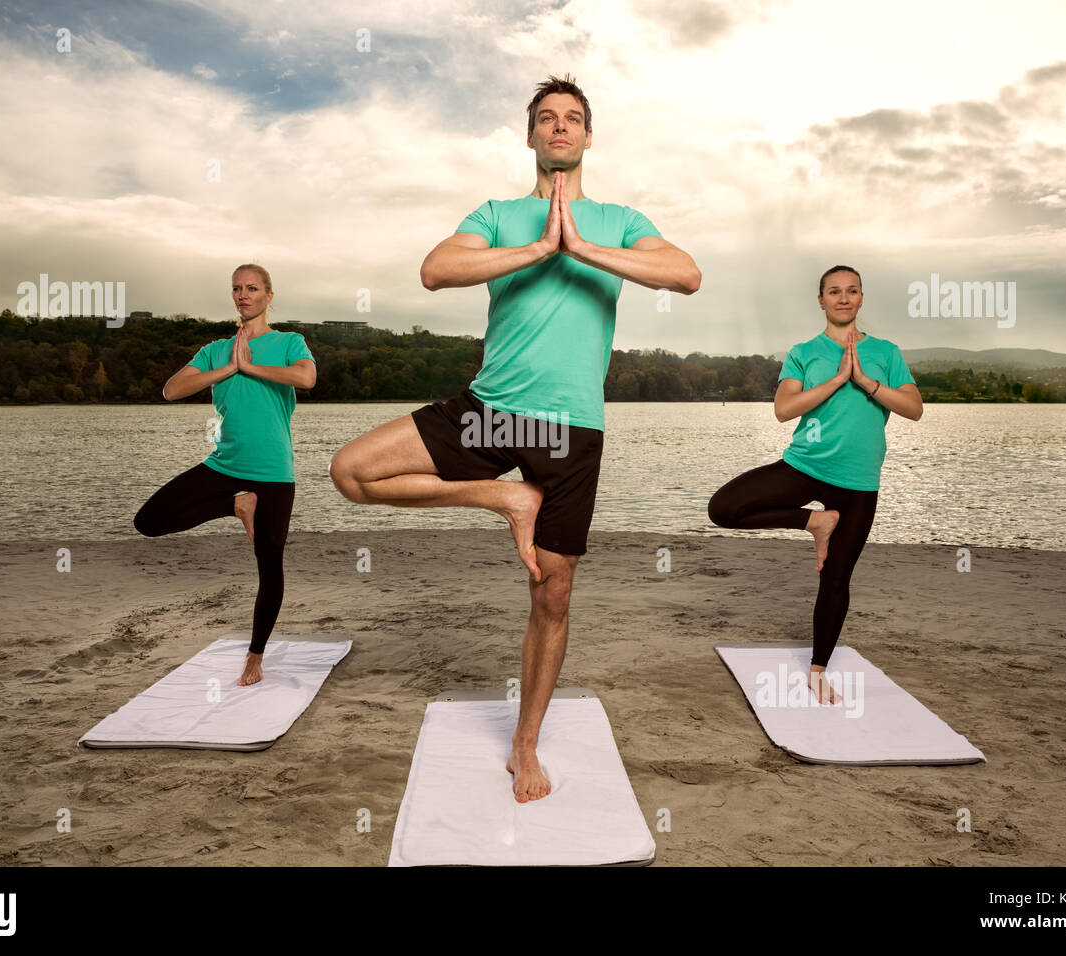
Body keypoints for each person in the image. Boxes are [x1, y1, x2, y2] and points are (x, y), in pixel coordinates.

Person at [329, 74, 700, 802]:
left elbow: (684, 274)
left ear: (589, 137)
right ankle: (506, 500)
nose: (559, 129)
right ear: (530, 135)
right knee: (352, 471)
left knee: (552, 598)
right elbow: (438, 269)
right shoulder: (498, 213)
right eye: (546, 119)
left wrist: (582, 247)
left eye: (572, 119)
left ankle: (525, 743)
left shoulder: (619, 219)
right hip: (491, 410)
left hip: (571, 433)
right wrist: (538, 250)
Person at [707, 265, 923, 704]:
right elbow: (784, 409)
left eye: (851, 291)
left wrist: (866, 382)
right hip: (805, 465)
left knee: (837, 578)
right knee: (724, 509)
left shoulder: (885, 351)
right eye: (833, 292)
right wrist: (838, 380)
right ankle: (814, 522)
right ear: (820, 300)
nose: (843, 298)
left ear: (861, 298)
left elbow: (914, 408)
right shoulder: (804, 352)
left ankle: (819, 669)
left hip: (859, 482)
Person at [133, 264, 317, 687]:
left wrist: (253, 368)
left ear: (270, 296)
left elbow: (307, 377)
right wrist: (229, 369)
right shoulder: (216, 349)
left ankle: (255, 655)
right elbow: (172, 389)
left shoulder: (289, 342)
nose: (243, 294)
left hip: (273, 470)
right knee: (150, 521)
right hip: (224, 464)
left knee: (269, 564)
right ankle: (236, 503)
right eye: (236, 288)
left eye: (252, 288)